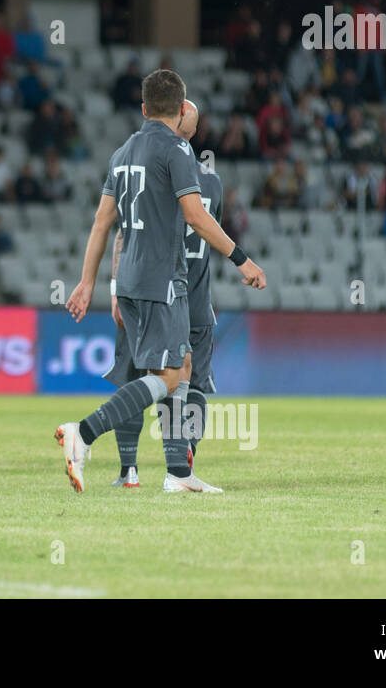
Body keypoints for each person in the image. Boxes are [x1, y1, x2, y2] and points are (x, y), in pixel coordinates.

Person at [59, 69, 265, 494]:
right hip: (159, 278)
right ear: (181, 108)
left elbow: (101, 224)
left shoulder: (123, 152)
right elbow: (194, 215)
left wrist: (87, 283)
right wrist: (241, 259)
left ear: (143, 108)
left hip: (129, 279)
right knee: (171, 376)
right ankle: (83, 431)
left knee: (178, 368)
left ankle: (178, 474)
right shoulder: (176, 150)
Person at [111, 99, 223, 488]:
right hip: (180, 293)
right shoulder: (209, 180)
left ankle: (133, 469)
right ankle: (181, 466)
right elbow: (209, 239)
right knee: (188, 383)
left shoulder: (148, 164)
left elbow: (123, 231)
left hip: (148, 286)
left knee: (140, 377)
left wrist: (114, 285)